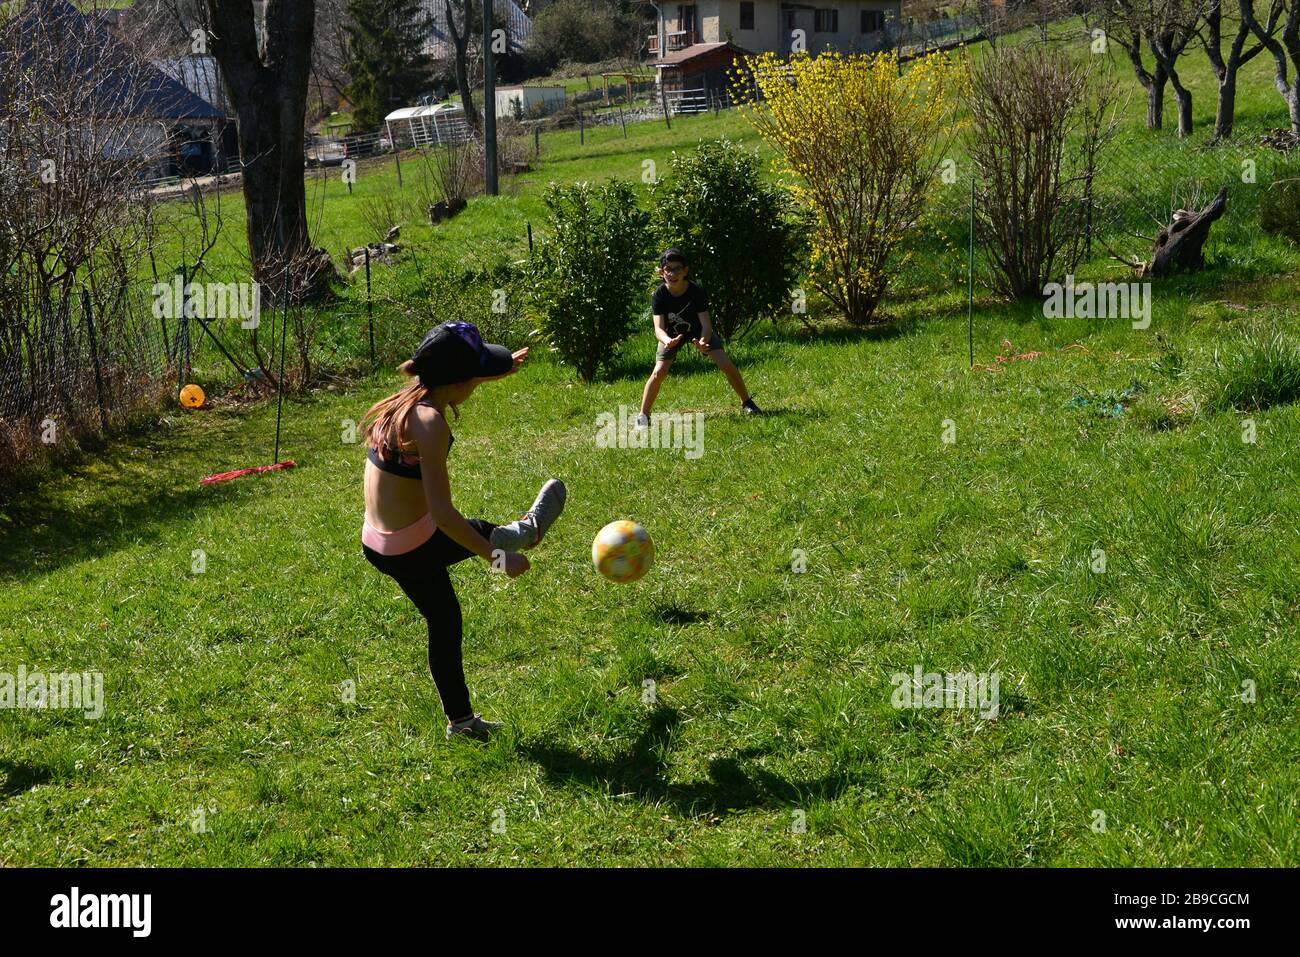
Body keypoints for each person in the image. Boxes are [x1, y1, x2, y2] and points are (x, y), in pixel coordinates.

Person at [360, 321, 566, 742]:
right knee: (475, 533)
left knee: (444, 618)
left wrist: (489, 371)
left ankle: (462, 723)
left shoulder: (401, 403)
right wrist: (497, 561)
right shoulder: (432, 424)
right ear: (458, 380)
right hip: (414, 544)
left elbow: (448, 379)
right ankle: (521, 534)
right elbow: (443, 516)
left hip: (377, 544)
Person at [637, 248, 761, 426]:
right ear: (661, 271)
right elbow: (658, 329)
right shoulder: (659, 295)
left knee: (725, 363)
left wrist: (703, 341)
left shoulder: (696, 291)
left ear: (685, 271)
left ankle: (747, 402)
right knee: (658, 373)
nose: (672, 274)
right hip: (670, 335)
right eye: (668, 269)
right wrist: (667, 341)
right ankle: (643, 415)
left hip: (698, 331)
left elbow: (706, 324)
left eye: (677, 269)